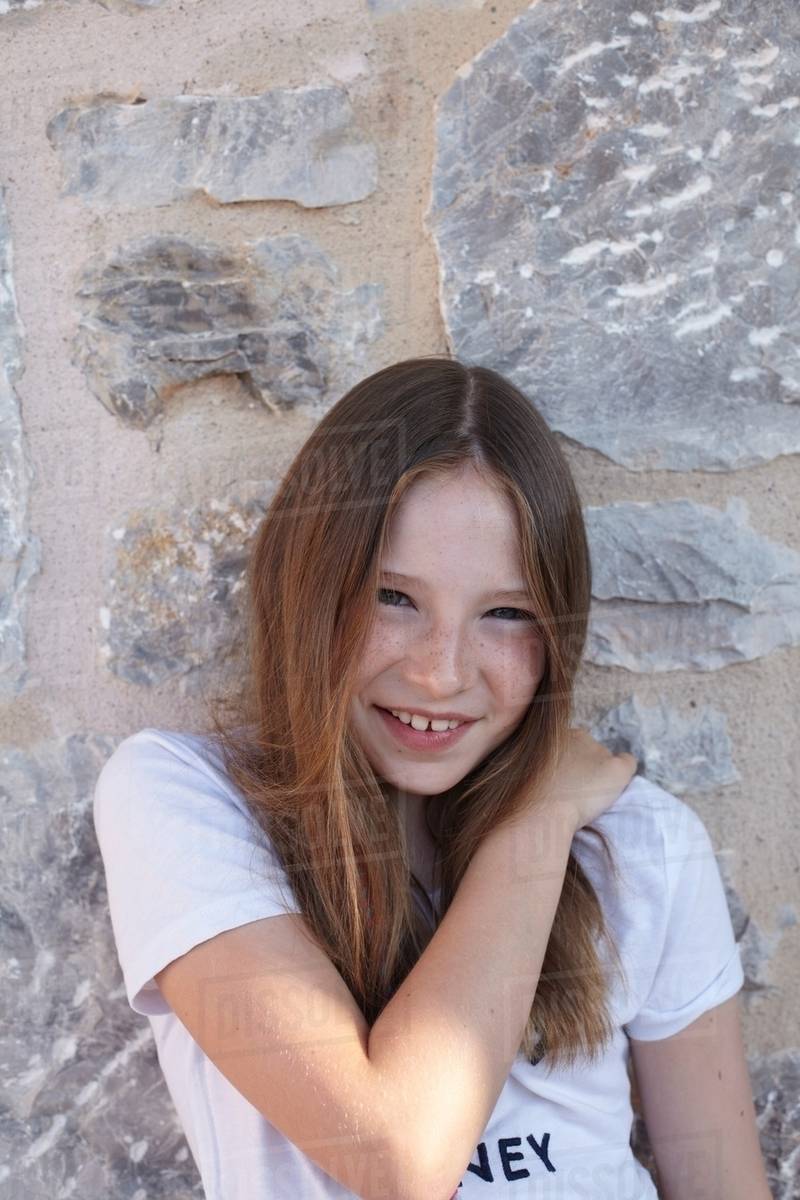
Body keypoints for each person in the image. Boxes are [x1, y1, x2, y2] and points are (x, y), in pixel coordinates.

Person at [93, 355, 767, 1200]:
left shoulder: (642, 843)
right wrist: (538, 822)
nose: (443, 674)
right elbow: (398, 1155)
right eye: (393, 597)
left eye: (506, 613)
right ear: (309, 588)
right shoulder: (185, 802)